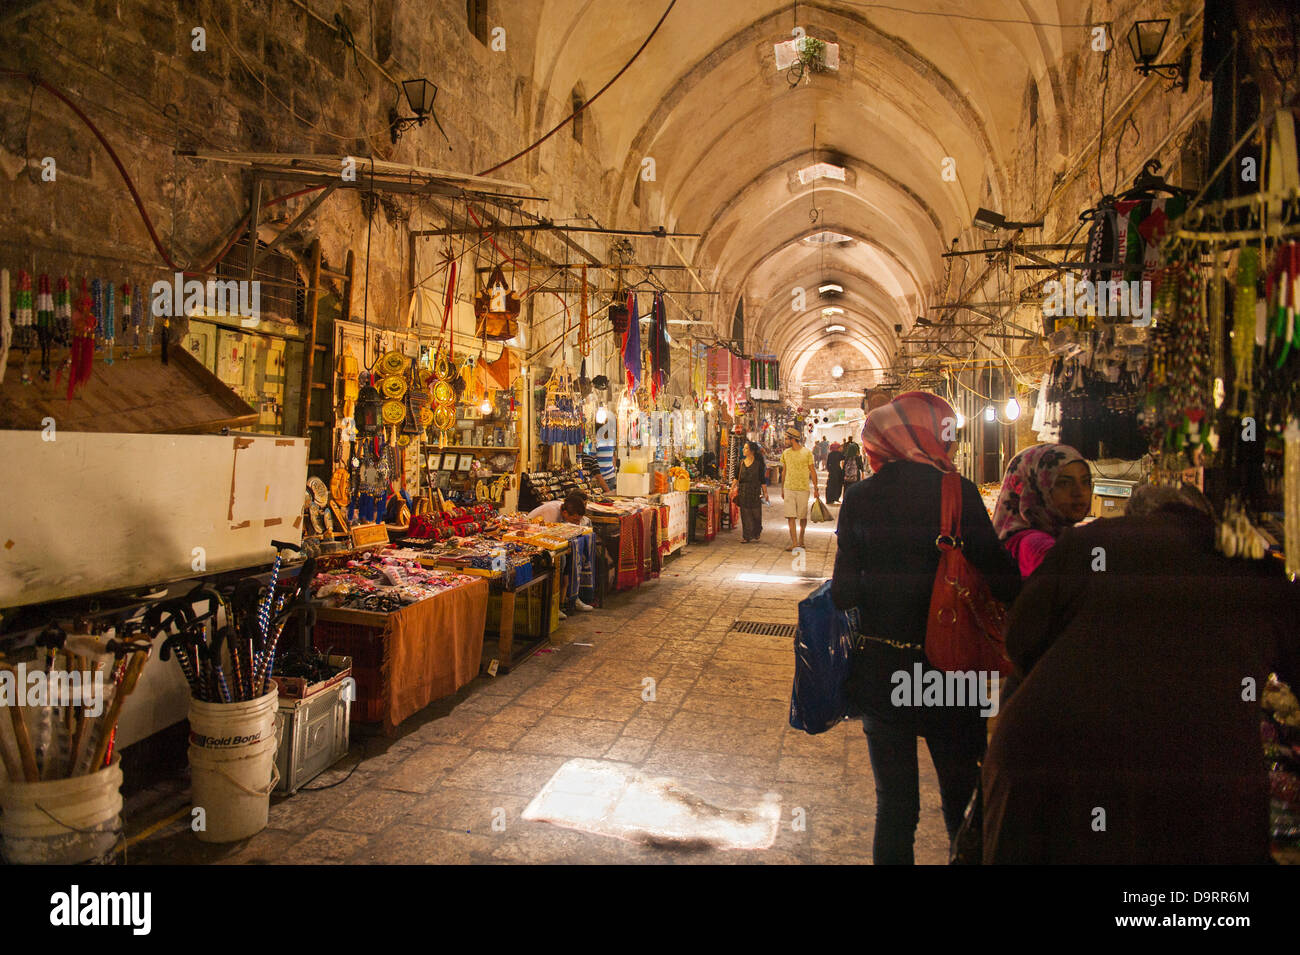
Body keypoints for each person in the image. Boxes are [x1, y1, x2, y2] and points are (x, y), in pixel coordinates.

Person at [983, 482, 1300, 864]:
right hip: (1194, 772)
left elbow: (1020, 641)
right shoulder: (1253, 563)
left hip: (1046, 758)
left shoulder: (1088, 542)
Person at [831, 392, 1021, 865]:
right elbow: (1005, 581)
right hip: (953, 671)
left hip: (884, 670)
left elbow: (843, 593)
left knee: (895, 809)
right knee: (962, 803)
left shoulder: (860, 497)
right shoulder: (959, 492)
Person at [991, 444, 1092, 577]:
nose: (1079, 492)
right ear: (1034, 488)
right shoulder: (1035, 544)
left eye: (1085, 482)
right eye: (1064, 483)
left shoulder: (1058, 533)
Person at [778, 427, 819, 550]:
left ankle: (801, 538)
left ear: (793, 439)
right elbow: (784, 471)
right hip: (789, 488)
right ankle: (794, 542)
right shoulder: (786, 453)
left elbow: (812, 471)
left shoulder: (807, 453)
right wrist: (782, 488)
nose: (785, 441)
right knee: (790, 516)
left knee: (802, 516)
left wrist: (816, 488)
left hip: (803, 489)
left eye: (786, 439)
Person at [733, 440, 769, 543]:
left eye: (746, 448)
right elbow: (736, 478)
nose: (743, 450)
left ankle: (757, 531)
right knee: (745, 514)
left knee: (756, 514)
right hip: (743, 491)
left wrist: (765, 493)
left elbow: (762, 480)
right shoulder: (740, 463)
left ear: (752, 451)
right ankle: (746, 536)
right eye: (743, 448)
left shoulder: (758, 464)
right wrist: (732, 488)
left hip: (755, 491)